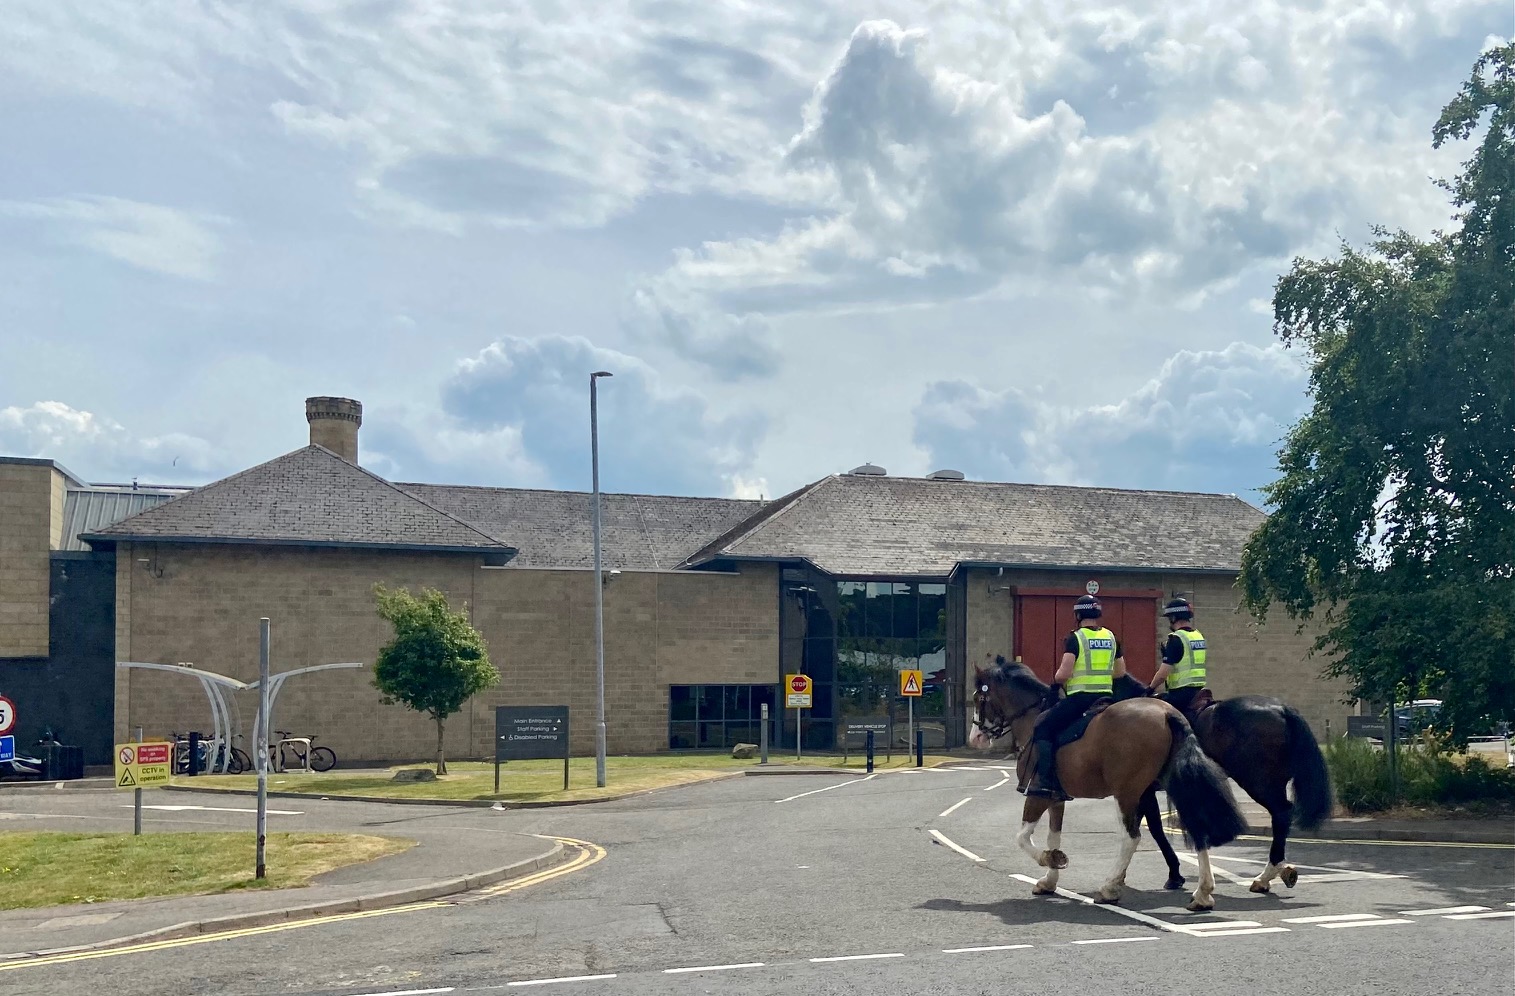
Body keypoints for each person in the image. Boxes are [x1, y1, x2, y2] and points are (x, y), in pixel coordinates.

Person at [1024, 595, 1126, 799]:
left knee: (1042, 726)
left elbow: (1063, 674)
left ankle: (1047, 781)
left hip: (1081, 699)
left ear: (1078, 615)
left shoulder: (1076, 638)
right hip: (1106, 698)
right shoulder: (1111, 637)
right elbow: (1120, 672)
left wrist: (1056, 681)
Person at [1149, 597, 1207, 715]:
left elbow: (1162, 675)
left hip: (1181, 694)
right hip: (1199, 691)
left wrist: (1150, 689)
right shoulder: (1198, 636)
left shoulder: (1176, 638)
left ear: (1173, 617)